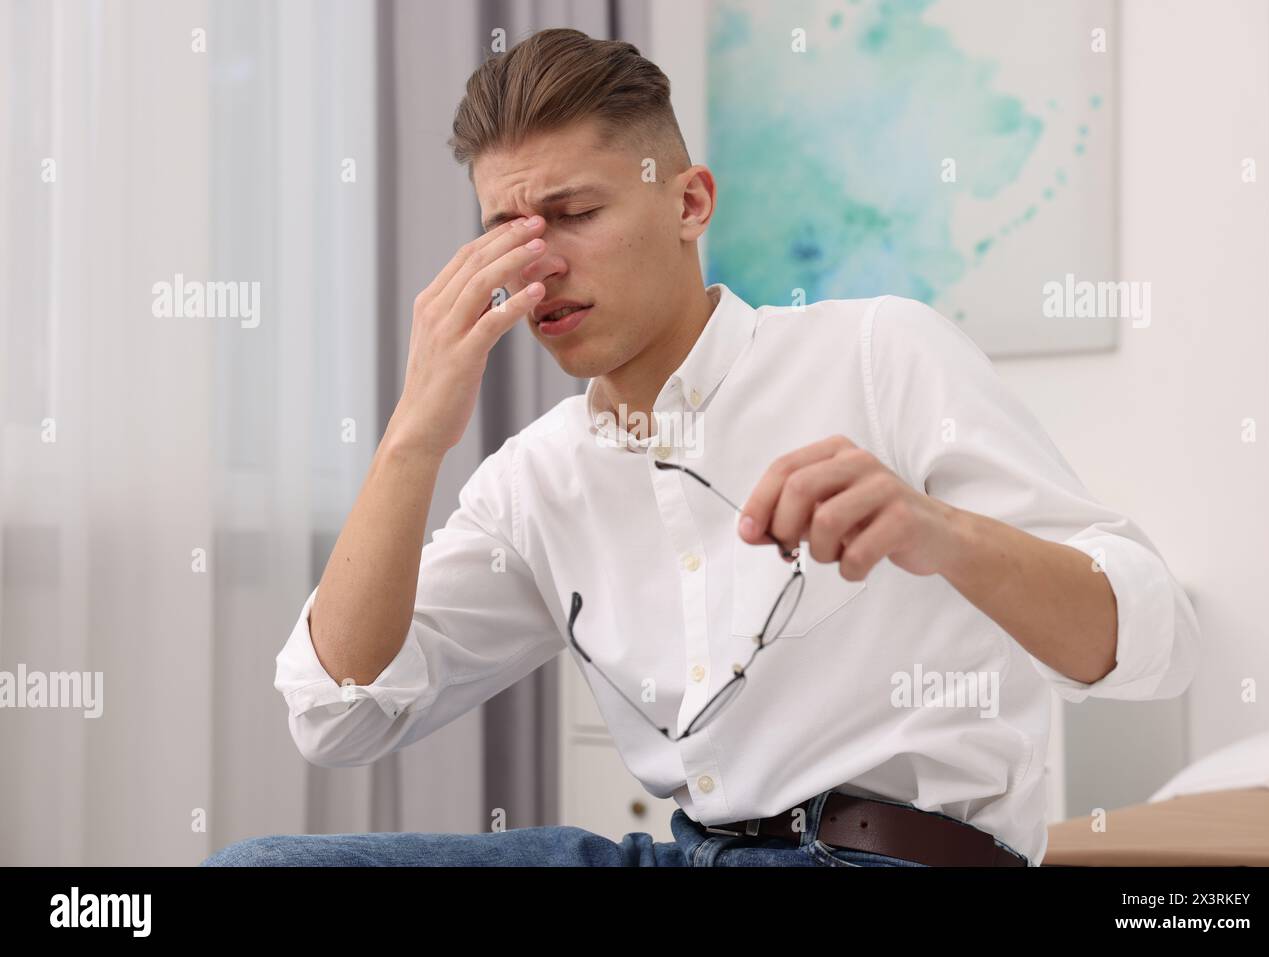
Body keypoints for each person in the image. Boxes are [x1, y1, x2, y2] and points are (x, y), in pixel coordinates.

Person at [203, 27, 1198, 868]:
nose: (535, 268)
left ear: (688, 203)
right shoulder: (537, 480)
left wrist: (940, 533)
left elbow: (1157, 645)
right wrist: (414, 433)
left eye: (573, 215)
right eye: (503, 233)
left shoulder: (878, 351)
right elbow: (336, 716)